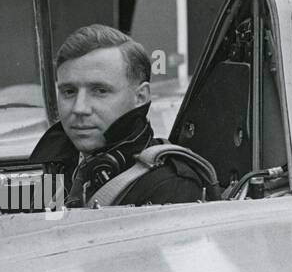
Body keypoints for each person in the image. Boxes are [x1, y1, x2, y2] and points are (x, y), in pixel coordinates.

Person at [29, 25, 217, 207]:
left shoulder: (172, 188)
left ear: (140, 97)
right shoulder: (56, 165)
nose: (79, 108)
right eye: (69, 91)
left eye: (100, 91)